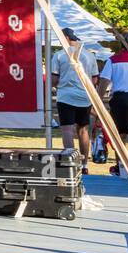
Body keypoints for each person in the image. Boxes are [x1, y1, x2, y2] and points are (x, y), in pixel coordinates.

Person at [50, 29, 100, 176]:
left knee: (67, 130)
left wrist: (61, 84)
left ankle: (71, 164)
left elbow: (53, 79)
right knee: (83, 130)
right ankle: (84, 164)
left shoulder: (59, 55)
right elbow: (95, 79)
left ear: (65, 37)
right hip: (84, 97)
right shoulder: (90, 55)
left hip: (65, 97)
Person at [99, 32, 128, 176]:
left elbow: (104, 81)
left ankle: (121, 166)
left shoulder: (113, 60)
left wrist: (98, 98)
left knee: (120, 134)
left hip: (120, 98)